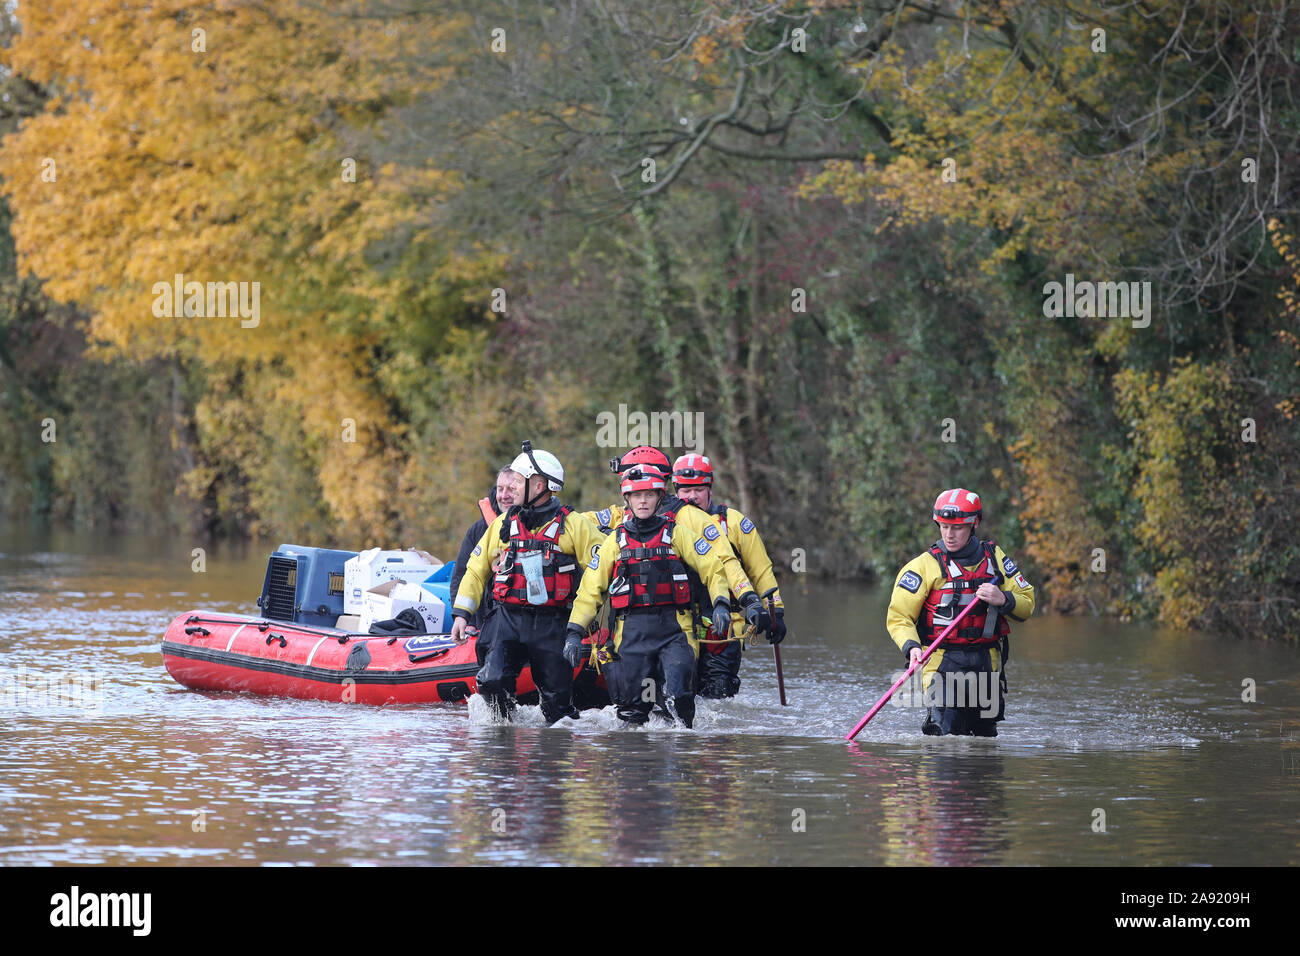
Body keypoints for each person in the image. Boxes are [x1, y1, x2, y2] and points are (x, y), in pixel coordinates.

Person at [564, 465, 746, 728]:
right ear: (627, 499)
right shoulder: (614, 542)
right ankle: (638, 762)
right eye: (637, 496)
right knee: (631, 712)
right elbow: (590, 591)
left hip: (675, 631)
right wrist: (573, 631)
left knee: (680, 698)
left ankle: (682, 757)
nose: (643, 501)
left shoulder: (678, 534)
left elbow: (713, 568)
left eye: (649, 495)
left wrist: (720, 602)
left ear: (660, 497)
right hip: (631, 634)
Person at [450, 442, 605, 724]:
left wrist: (580, 623)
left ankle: (552, 754)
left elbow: (602, 567)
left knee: (558, 711)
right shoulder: (502, 525)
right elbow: (475, 570)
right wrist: (462, 613)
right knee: (492, 681)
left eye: (519, 482)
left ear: (540, 485)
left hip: (552, 622)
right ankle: (503, 740)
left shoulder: (574, 525)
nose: (512, 489)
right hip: (507, 619)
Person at [886, 489, 1035, 736]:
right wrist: (911, 646)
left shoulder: (995, 559)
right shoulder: (923, 566)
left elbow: (1027, 602)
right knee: (944, 735)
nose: (949, 534)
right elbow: (899, 617)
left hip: (986, 661)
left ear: (973, 525)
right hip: (941, 661)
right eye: (943, 527)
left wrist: (1003, 598)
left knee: (984, 740)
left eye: (957, 528)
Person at [670, 453, 786, 698]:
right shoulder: (666, 526)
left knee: (718, 697)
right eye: (685, 491)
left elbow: (761, 569)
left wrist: (775, 611)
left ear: (710, 488)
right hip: (678, 623)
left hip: (725, 626)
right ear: (674, 490)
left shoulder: (733, 523)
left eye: (698, 490)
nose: (691, 497)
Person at [449, 466, 520, 665]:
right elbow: (463, 576)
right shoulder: (479, 530)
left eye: (511, 489)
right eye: (500, 489)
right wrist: (465, 619)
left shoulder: (539, 525)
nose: (504, 495)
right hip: (488, 620)